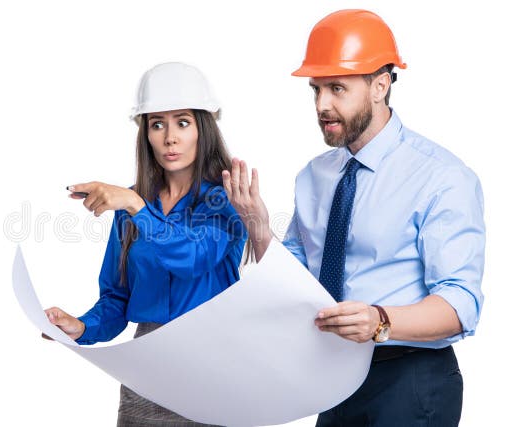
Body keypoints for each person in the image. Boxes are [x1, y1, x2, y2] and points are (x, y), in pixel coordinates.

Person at [222, 9, 485, 426]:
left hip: (410, 379)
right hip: (333, 376)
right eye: (316, 90)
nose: (322, 105)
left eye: (337, 89)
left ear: (380, 85)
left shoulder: (442, 177)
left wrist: (380, 320)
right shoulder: (315, 176)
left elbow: (460, 304)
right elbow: (296, 281)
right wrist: (257, 225)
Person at [44, 62, 249, 426]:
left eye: (182, 122)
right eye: (158, 124)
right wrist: (82, 326)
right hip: (145, 374)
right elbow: (118, 298)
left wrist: (136, 206)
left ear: (203, 128)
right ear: (146, 134)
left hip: (214, 369)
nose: (170, 137)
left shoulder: (224, 200)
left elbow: (193, 257)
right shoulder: (132, 205)